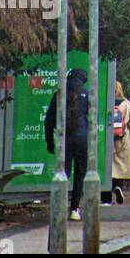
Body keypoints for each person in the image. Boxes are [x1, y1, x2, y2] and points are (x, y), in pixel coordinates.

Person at [43, 68, 88, 221]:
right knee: (80, 174)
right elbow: (92, 119)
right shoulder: (87, 95)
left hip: (65, 139)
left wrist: (49, 142)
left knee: (63, 173)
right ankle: (74, 209)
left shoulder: (59, 95)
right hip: (82, 139)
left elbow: (49, 120)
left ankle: (59, 207)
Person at [108, 80, 130, 205]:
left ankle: (105, 197)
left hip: (107, 139)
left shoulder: (104, 102)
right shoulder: (127, 104)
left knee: (107, 167)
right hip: (122, 139)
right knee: (120, 167)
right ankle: (118, 187)